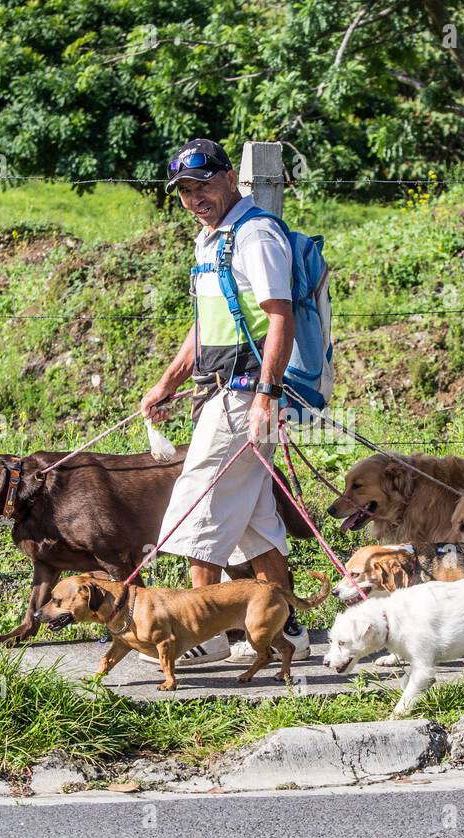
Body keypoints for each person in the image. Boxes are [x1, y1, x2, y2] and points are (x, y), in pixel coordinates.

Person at [139, 138, 309, 666]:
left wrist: (266, 393)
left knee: (200, 508)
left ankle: (199, 634)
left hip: (243, 394)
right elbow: (209, 324)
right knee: (252, 524)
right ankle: (293, 633)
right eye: (185, 191)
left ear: (230, 178)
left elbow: (280, 316)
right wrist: (169, 380)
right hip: (214, 390)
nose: (195, 198)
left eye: (204, 184)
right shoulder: (210, 241)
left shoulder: (255, 235)